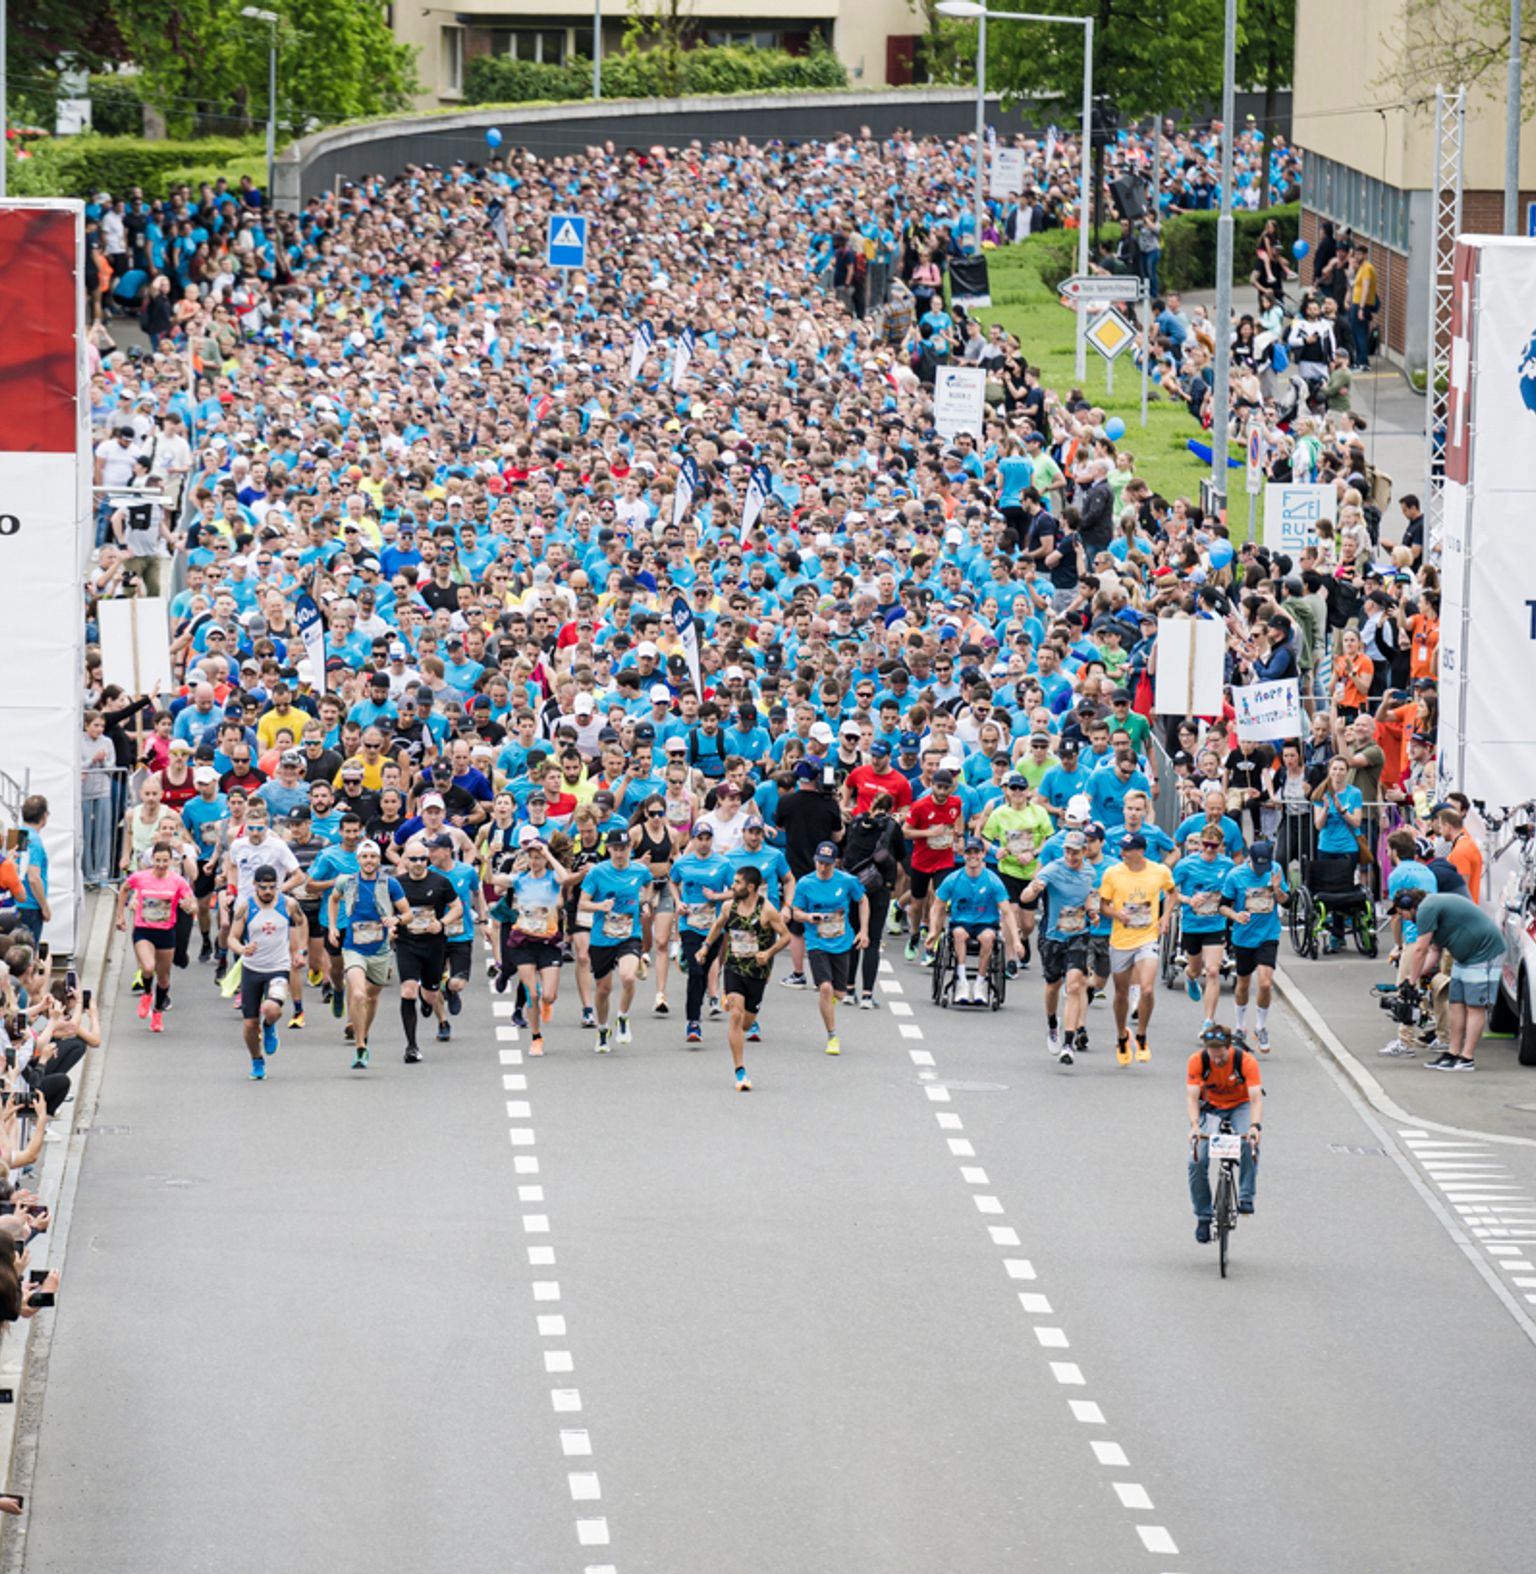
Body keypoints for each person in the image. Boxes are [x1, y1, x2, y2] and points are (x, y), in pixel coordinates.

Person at [698, 864, 791, 1090]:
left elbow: (786, 937)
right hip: (734, 968)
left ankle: (733, 1002)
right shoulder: (729, 907)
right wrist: (705, 947)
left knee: (747, 1023)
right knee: (736, 1016)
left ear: (751, 887)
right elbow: (718, 926)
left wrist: (768, 953)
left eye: (738, 882)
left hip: (757, 973)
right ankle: (740, 1071)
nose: (733, 885)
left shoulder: (767, 910)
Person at [1393, 888, 1506, 1072]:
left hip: (1484, 952)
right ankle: (1453, 1053)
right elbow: (1434, 951)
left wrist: (1411, 980)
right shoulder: (1430, 910)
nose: (1403, 918)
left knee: (1474, 1007)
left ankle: (1466, 1058)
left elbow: (1420, 949)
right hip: (1464, 957)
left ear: (1409, 905)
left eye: (1401, 913)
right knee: (1456, 1004)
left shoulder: (1426, 909)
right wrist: (1416, 976)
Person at [493, 829, 580, 1058]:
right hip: (523, 941)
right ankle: (536, 1037)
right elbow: (494, 881)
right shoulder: (519, 879)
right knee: (531, 993)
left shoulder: (552, 878)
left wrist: (548, 855)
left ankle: (547, 1002)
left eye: (538, 856)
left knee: (548, 995)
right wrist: (502, 864)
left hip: (548, 942)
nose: (534, 861)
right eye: (531, 856)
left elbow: (564, 878)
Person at [326, 839, 410, 1071]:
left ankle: (363, 1029)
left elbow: (408, 913)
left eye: (373, 856)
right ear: (358, 860)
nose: (369, 861)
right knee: (359, 994)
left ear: (378, 859)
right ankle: (361, 1046)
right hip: (353, 948)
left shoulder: (390, 884)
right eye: (365, 857)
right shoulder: (347, 882)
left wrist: (397, 920)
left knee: (372, 997)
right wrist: (333, 927)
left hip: (380, 950)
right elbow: (333, 900)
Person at [1019, 829, 1102, 1065]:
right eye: (1067, 851)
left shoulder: (1089, 871)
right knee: (1053, 985)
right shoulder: (1053, 869)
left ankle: (1068, 1043)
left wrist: (1092, 913)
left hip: (1078, 935)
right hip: (1053, 936)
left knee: (1075, 986)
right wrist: (1032, 890)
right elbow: (1026, 897)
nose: (1071, 856)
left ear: (1084, 852)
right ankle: (1052, 1024)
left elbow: (1089, 897)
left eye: (1075, 852)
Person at [1096, 831, 1176, 1064]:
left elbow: (1172, 893)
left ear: (1140, 852)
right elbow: (1103, 905)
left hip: (1147, 937)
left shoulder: (1159, 871)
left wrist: (1165, 917)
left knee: (1147, 989)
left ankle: (1141, 1034)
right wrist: (1116, 914)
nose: (1122, 853)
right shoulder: (1113, 873)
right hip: (1121, 940)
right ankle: (1122, 1035)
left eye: (1127, 850)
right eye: (1121, 849)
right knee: (1121, 993)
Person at [787, 841, 869, 1056]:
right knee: (825, 988)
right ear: (815, 860)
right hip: (817, 942)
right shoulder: (805, 883)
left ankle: (829, 1001)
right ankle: (832, 1036)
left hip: (842, 941)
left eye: (828, 864)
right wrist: (807, 917)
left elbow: (862, 900)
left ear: (836, 863)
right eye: (820, 863)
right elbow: (796, 911)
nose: (823, 868)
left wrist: (864, 931)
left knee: (839, 993)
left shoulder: (847, 881)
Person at [227, 863, 307, 1080]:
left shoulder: (288, 904)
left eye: (272, 887)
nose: (268, 891)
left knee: (271, 1009)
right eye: (263, 887)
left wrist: (301, 950)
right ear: (254, 885)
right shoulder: (245, 907)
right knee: (250, 1024)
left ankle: (269, 1026)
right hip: (252, 969)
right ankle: (257, 1060)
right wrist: (242, 949)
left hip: (278, 968)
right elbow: (231, 938)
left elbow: (302, 922)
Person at [1186, 1023, 1263, 1243]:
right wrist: (1194, 1126)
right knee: (1196, 1159)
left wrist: (1255, 1126)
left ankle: (1246, 1195)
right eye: (1211, 1050)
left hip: (1240, 1105)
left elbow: (1256, 1098)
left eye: (1219, 1050)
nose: (1216, 1055)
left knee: (1250, 1143)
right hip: (1211, 1108)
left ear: (1229, 1047)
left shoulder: (1246, 1062)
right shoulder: (1197, 1061)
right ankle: (1203, 1215)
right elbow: (1192, 1097)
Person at [578, 830, 654, 1053]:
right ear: (609, 849)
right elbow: (583, 903)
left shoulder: (640, 870)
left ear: (630, 848)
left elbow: (649, 883)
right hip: (602, 938)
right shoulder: (598, 873)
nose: (620, 853)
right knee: (603, 989)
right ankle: (602, 1030)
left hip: (629, 935)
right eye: (616, 849)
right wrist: (600, 906)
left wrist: (645, 902)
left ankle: (622, 1017)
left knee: (628, 977)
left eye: (624, 849)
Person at [114, 843, 196, 1033]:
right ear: (152, 860)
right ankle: (146, 994)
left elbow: (190, 901)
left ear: (171, 861)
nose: (160, 864)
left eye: (164, 861)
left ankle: (157, 1013)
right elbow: (124, 889)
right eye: (157, 860)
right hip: (144, 929)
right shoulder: (141, 877)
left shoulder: (177, 881)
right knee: (148, 966)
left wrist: (189, 906)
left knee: (164, 978)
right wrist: (120, 915)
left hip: (166, 932)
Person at [1219, 840, 1288, 1051]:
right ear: (1249, 858)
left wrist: (1277, 890)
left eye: (1264, 867)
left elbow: (1287, 901)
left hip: (1268, 934)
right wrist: (1235, 915)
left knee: (1266, 983)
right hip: (1243, 937)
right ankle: (1240, 1027)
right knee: (1243, 985)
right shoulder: (1235, 876)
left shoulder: (1275, 870)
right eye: (1257, 867)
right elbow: (1222, 906)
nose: (1261, 871)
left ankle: (1260, 1026)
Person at [669, 824, 735, 1046]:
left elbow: (736, 889)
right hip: (689, 925)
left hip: (714, 927)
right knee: (696, 972)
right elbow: (672, 880)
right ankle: (693, 1021)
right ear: (694, 839)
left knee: (704, 971)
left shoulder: (723, 864)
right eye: (700, 838)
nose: (704, 842)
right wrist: (678, 902)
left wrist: (717, 896)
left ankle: (700, 998)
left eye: (708, 838)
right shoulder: (683, 863)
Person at [932, 838, 1018, 1005]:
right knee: (958, 934)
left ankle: (980, 982)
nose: (973, 856)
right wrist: (933, 932)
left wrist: (1015, 941)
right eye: (969, 853)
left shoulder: (993, 880)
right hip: (961, 921)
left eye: (976, 852)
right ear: (963, 856)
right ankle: (962, 981)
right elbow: (937, 906)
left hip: (986, 922)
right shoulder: (953, 879)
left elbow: (1007, 912)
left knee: (987, 938)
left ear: (983, 855)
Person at [1172, 831, 1234, 1025]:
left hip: (1215, 925)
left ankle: (1209, 1020)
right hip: (1192, 925)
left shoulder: (1227, 866)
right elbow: (1171, 891)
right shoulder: (1186, 865)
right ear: (1199, 844)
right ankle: (1190, 977)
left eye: (1213, 846)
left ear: (1221, 846)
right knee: (1195, 970)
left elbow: (1235, 889)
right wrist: (1189, 900)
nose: (1208, 849)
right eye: (1206, 844)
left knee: (1213, 971)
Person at [430, 833, 485, 1025]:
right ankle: (442, 1022)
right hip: (435, 934)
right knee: (432, 986)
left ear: (447, 851)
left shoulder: (466, 871)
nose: (430, 853)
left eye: (434, 849)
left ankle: (451, 990)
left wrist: (484, 920)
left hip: (461, 934)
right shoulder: (427, 873)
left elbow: (478, 894)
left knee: (458, 982)